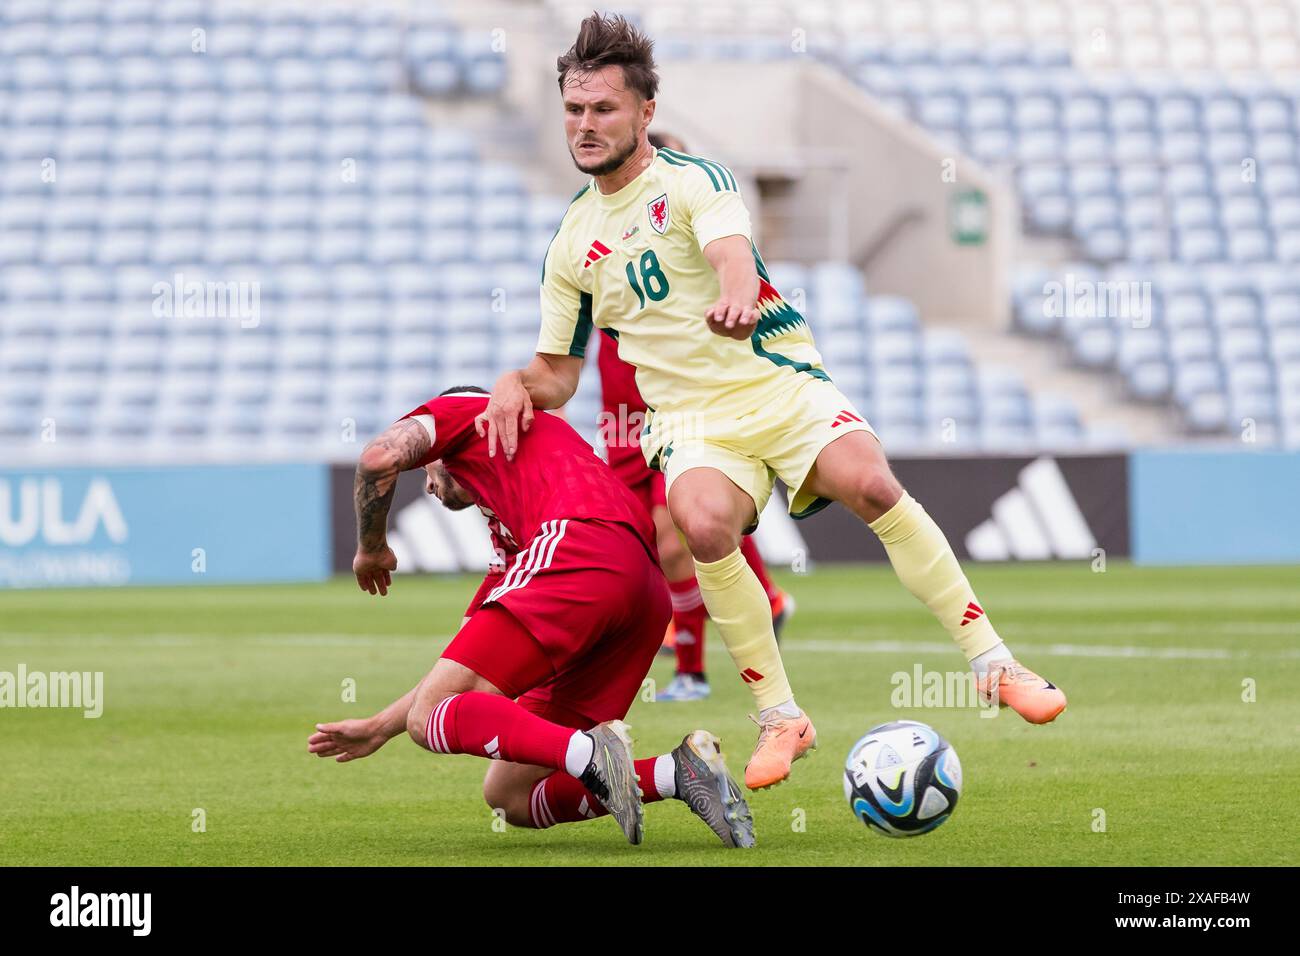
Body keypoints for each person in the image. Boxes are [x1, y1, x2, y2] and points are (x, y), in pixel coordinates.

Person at [478, 14, 1068, 792]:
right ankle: (781, 717)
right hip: (690, 423)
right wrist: (513, 384)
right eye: (574, 110)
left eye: (603, 109)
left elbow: (729, 258)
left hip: (775, 380)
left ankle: (994, 663)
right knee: (701, 521)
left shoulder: (696, 181)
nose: (585, 126)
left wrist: (736, 298)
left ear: (645, 113)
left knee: (873, 483)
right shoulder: (570, 242)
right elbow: (558, 373)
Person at [308, 386, 755, 848]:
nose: (428, 482)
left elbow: (379, 459)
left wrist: (372, 547)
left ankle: (590, 753)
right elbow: (455, 674)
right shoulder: (519, 516)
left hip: (583, 549)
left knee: (431, 720)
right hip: (641, 593)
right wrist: (380, 728)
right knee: (510, 796)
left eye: (429, 468)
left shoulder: (469, 413)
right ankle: (678, 775)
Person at [593, 126, 794, 703]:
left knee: (676, 533)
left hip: (676, 417)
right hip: (622, 423)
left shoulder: (694, 235)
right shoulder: (597, 242)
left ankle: (691, 670)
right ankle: (767, 600)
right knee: (661, 542)